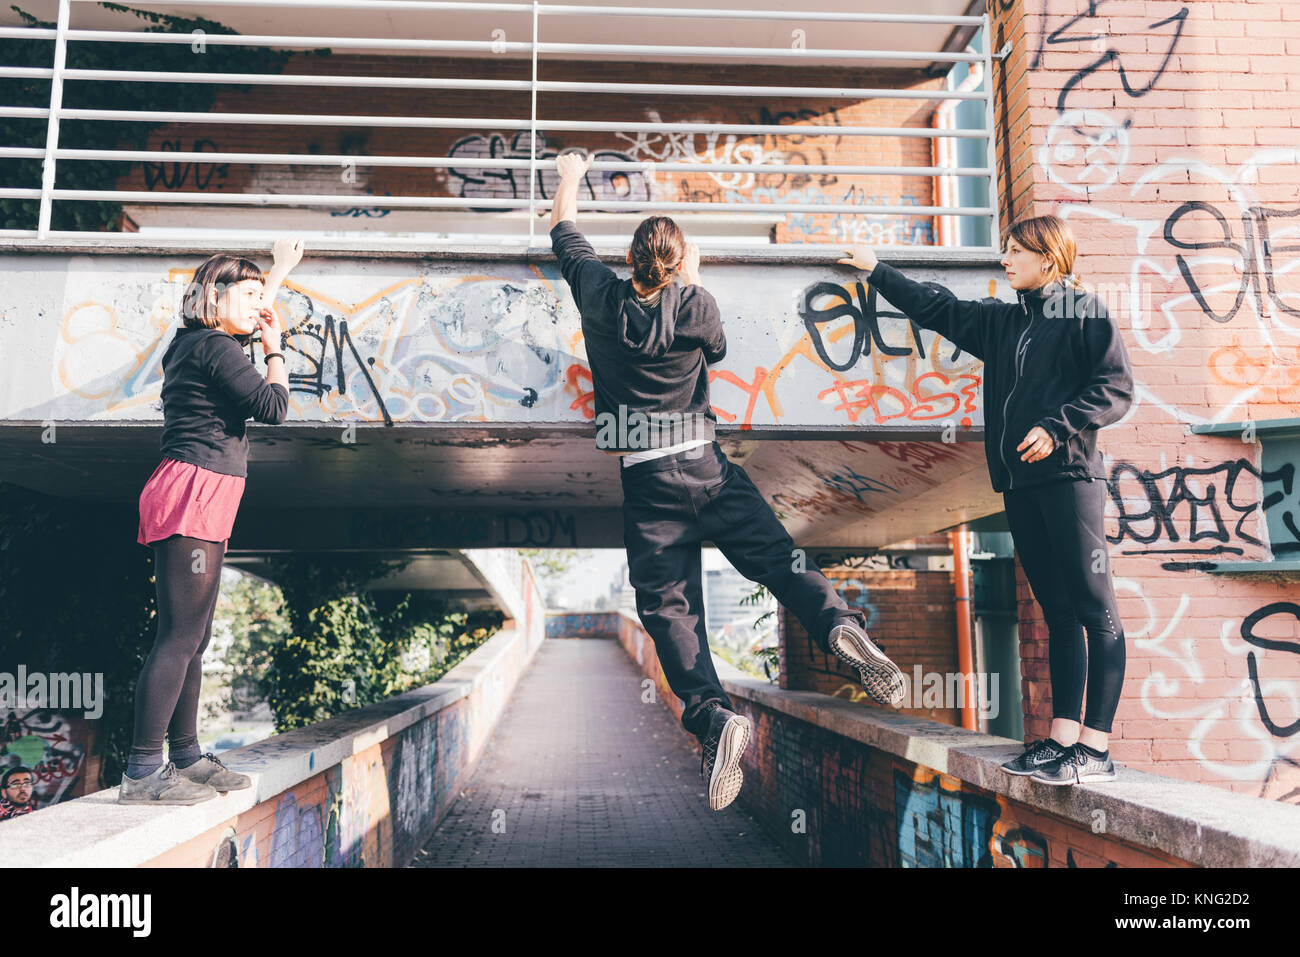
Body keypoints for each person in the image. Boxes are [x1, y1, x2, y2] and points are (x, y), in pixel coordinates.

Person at [550, 151, 906, 811]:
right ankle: (838, 628)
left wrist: (571, 176)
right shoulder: (696, 306)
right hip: (705, 466)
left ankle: (715, 715)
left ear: (629, 261)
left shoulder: (599, 298)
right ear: (678, 262)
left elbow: (564, 235)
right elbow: (712, 347)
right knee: (778, 558)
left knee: (669, 608)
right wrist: (694, 276)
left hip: (645, 481)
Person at [837, 213, 1133, 787]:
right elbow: (938, 308)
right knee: (1058, 612)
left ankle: (1096, 749)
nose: (1005, 260)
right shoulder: (1003, 323)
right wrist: (876, 270)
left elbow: (1116, 389)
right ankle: (1063, 739)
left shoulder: (1085, 313)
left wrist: (1058, 426)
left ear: (1048, 258)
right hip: (1020, 484)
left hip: (1070, 478)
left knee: (1095, 608)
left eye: (1015, 252)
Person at [121, 240, 303, 805]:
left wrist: (277, 274)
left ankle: (185, 756)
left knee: (193, 638)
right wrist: (276, 351)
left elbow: (233, 316)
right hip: (195, 491)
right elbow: (273, 407)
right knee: (179, 636)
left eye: (260, 297)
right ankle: (143, 772)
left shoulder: (197, 342)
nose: (259, 306)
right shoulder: (214, 347)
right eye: (248, 296)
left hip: (202, 489)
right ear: (214, 296)